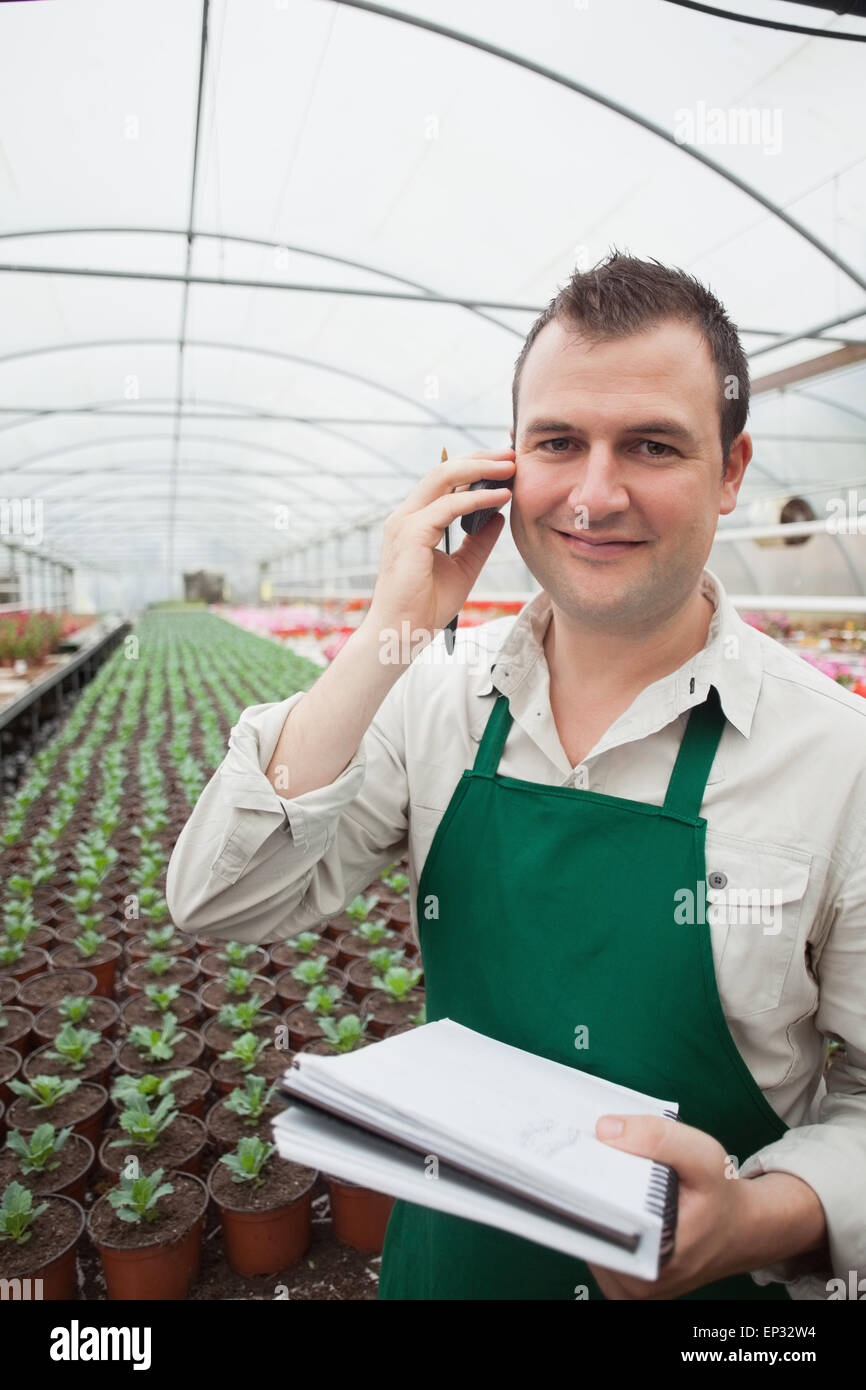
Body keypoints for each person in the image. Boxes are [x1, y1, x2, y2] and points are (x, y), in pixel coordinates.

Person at [166, 252, 866, 1301]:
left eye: (650, 444)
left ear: (729, 470)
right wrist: (392, 633)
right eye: (556, 443)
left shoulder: (835, 758)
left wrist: (753, 1219)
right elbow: (217, 898)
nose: (593, 493)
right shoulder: (432, 702)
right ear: (504, 470)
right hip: (451, 1271)